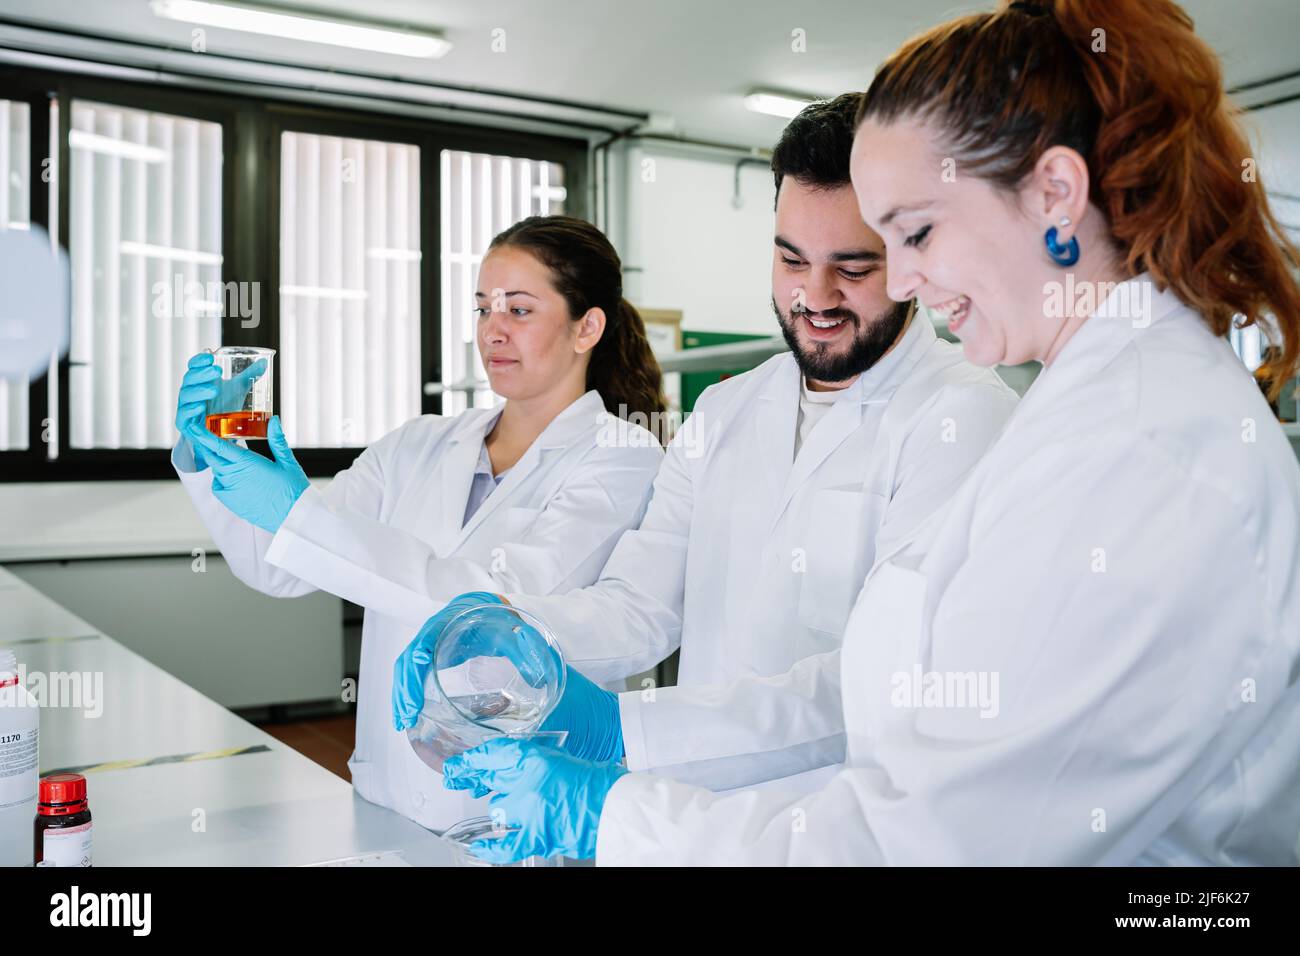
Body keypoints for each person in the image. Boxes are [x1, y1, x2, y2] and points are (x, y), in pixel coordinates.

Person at [443, 0, 1300, 865]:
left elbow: (942, 839)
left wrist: (618, 815)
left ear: (1055, 194)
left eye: (912, 236)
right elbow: (899, 699)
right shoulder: (1088, 407)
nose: (912, 277)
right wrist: (573, 686)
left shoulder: (1129, 445)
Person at [394, 94, 1019, 796]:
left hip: (846, 825)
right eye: (790, 259)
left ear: (913, 258)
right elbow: (642, 602)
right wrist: (516, 628)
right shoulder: (728, 409)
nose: (814, 296)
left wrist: (626, 728)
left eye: (852, 267)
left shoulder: (962, 418)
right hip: (693, 817)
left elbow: (885, 680)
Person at [173, 215, 665, 830]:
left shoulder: (623, 454)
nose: (493, 331)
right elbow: (279, 570)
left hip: (517, 810)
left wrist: (302, 514)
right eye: (483, 309)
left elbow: (495, 601)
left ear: (586, 326)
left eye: (519, 310)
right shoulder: (417, 444)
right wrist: (213, 458)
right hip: (385, 793)